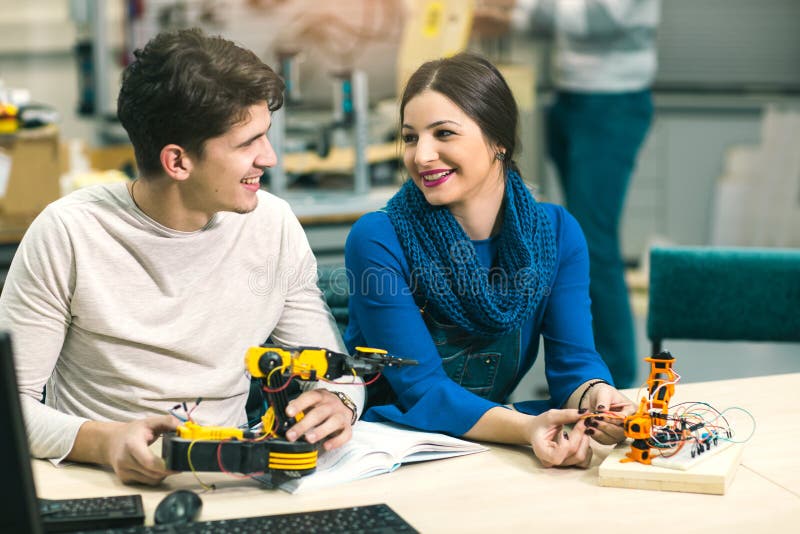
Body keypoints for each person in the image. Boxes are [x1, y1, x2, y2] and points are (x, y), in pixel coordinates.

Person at [0, 28, 363, 486]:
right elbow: (9, 409)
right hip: (96, 483)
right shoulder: (68, 233)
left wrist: (338, 402)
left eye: (266, 136)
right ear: (177, 162)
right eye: (248, 142)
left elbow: (336, 370)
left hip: (234, 483)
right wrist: (106, 442)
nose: (268, 158)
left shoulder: (272, 225)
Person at [344, 53, 635, 468]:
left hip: (488, 451)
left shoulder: (556, 233)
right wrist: (527, 429)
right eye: (410, 137)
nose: (422, 155)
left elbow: (574, 363)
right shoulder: (379, 237)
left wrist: (595, 397)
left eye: (443, 133)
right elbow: (422, 389)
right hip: (391, 453)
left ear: (499, 140)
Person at [473, 0, 660, 388]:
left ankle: (614, 378)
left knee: (593, 240)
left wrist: (513, 15)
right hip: (571, 96)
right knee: (569, 236)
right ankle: (577, 374)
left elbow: (601, 17)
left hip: (612, 101)